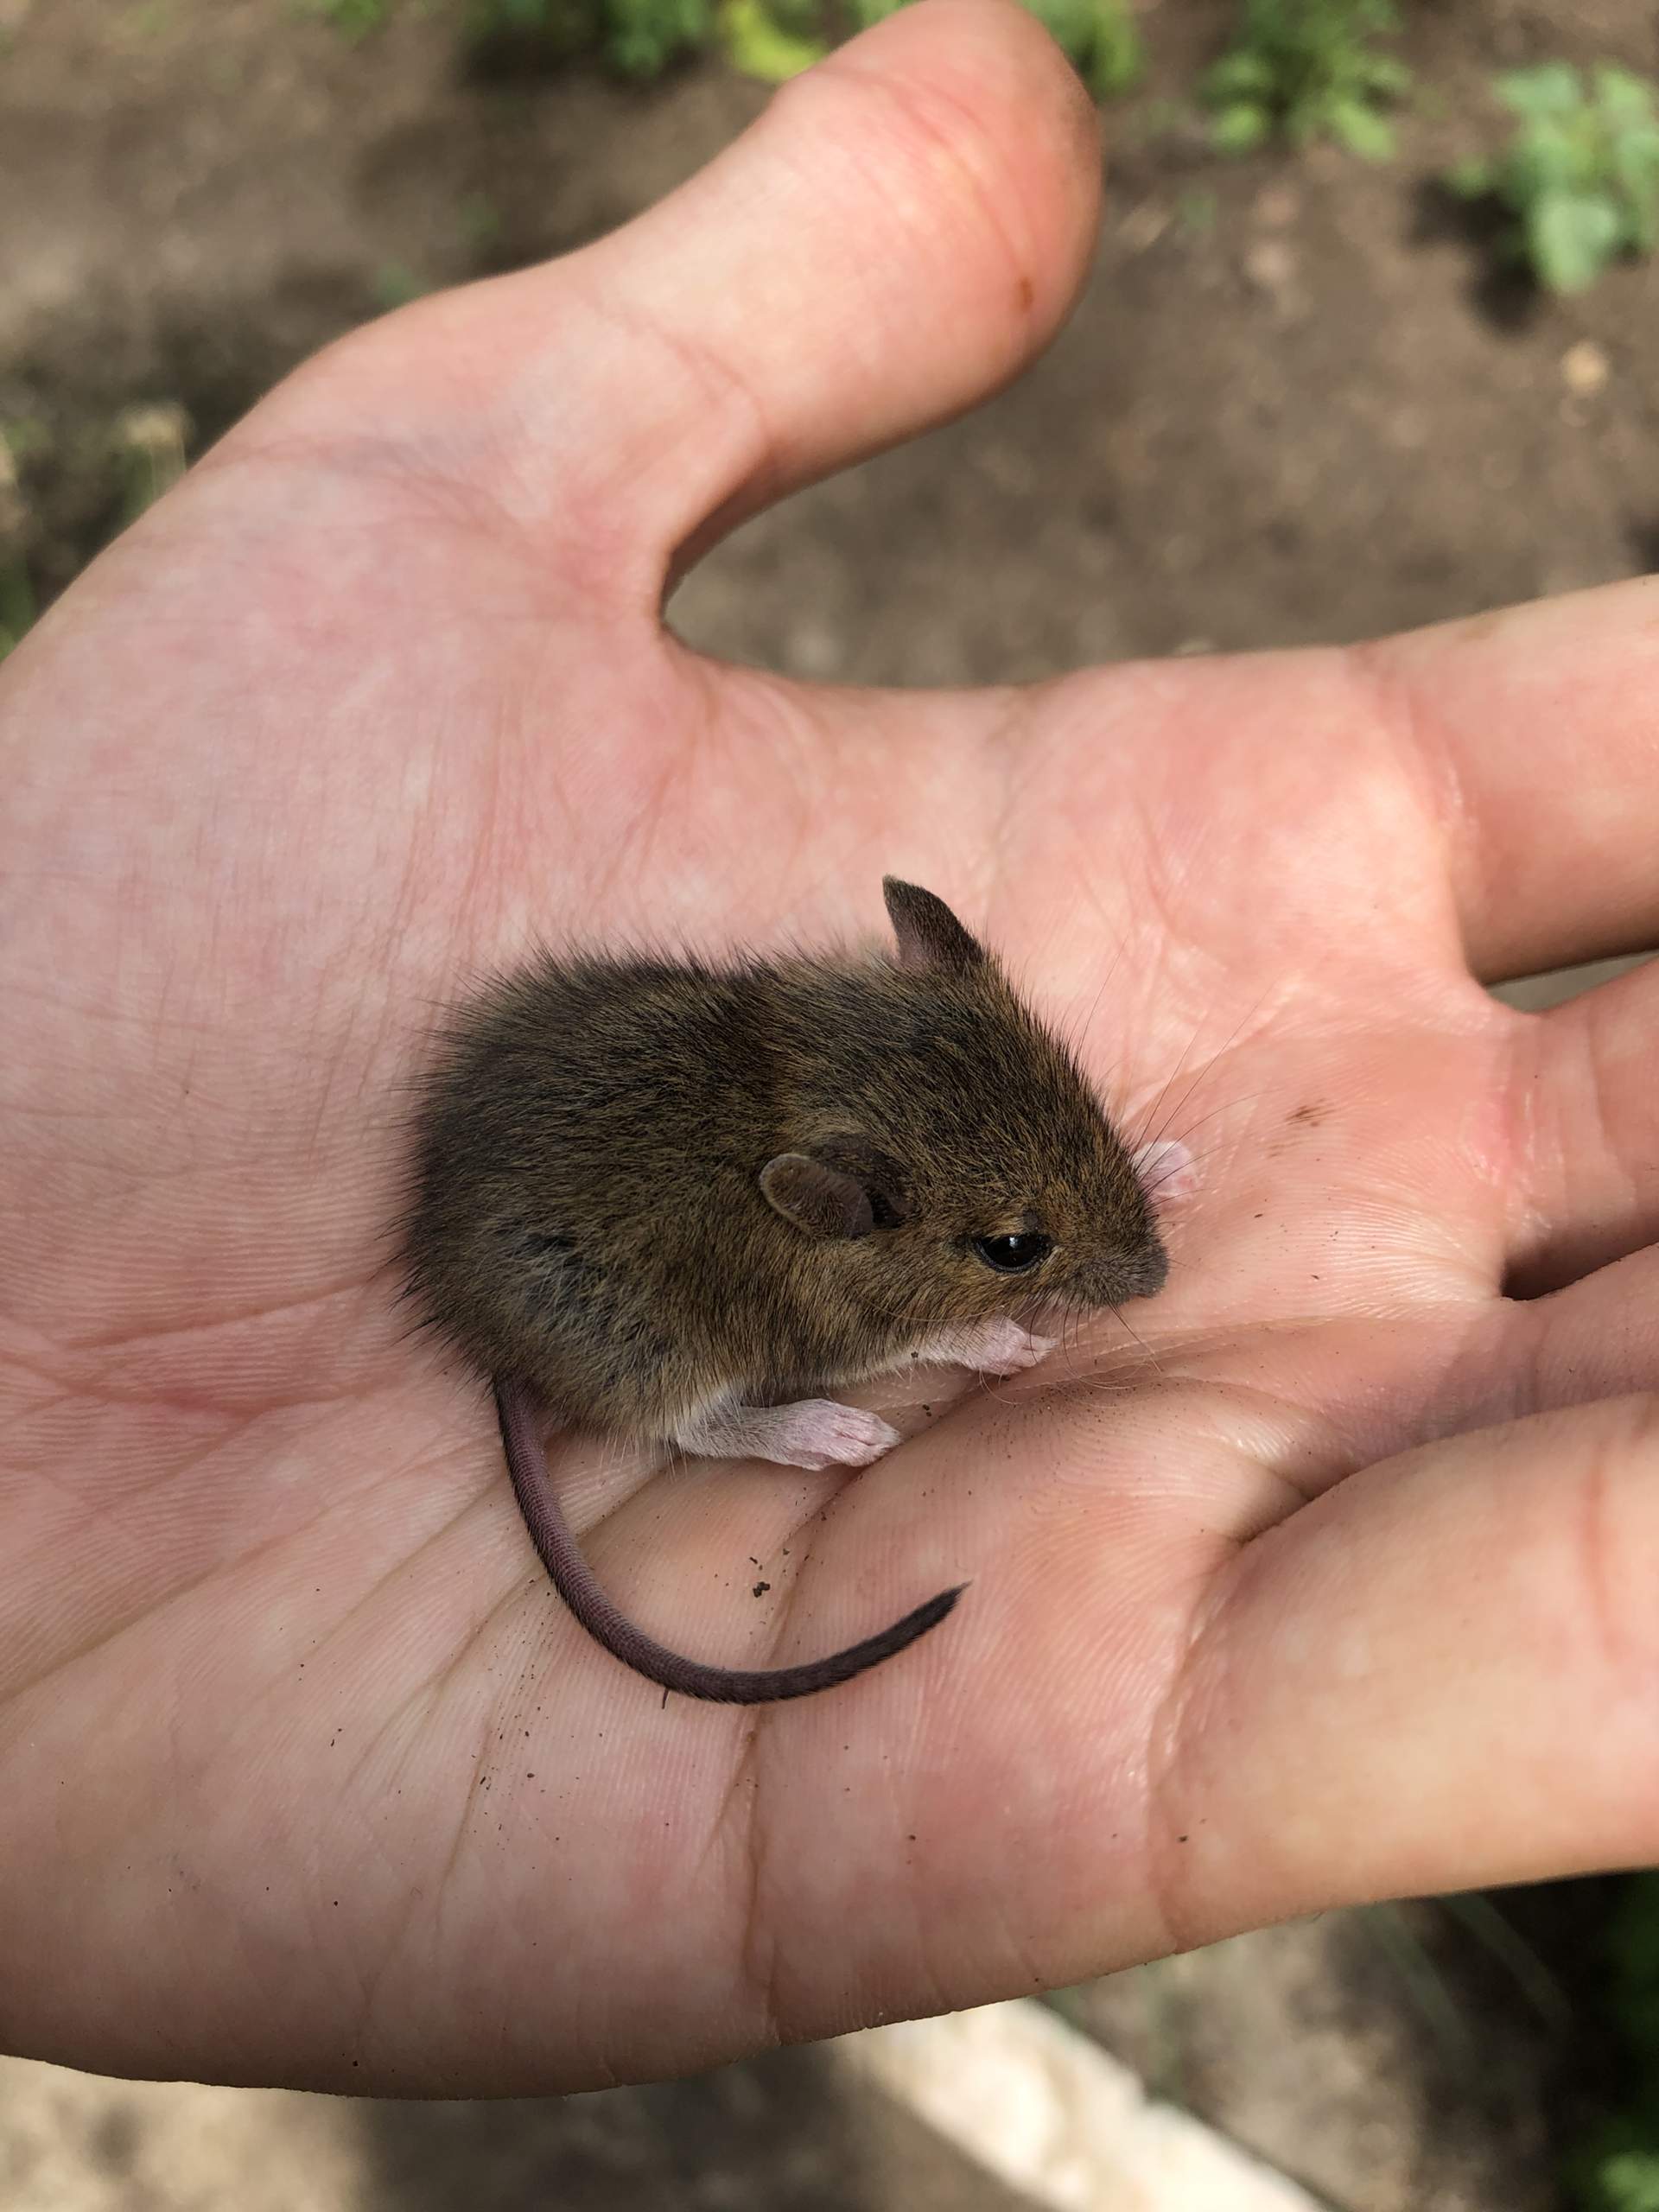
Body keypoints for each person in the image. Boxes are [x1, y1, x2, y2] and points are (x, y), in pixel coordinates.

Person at [2, 0, 1654, 2099]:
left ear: (944, 970)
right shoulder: (810, 1239)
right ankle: (716, 1432)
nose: (1097, 1268)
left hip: (618, 1136)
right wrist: (950, 1329)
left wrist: (1051, 1249)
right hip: (584, 1287)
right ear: (844, 1201)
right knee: (711, 1364)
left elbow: (1002, 1193)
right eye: (1010, 1243)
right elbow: (851, 1301)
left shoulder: (902, 1093)